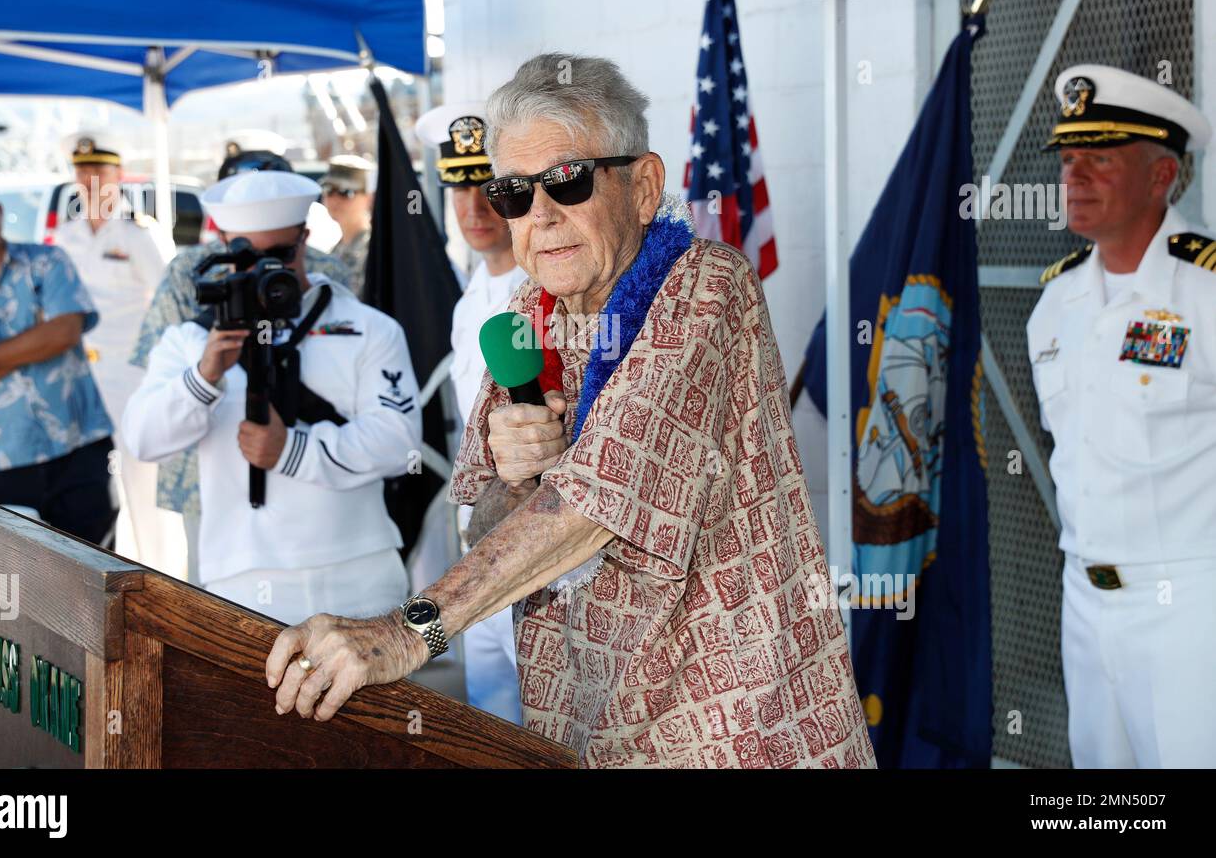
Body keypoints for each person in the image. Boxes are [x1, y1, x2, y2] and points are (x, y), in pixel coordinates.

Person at [264, 53, 874, 769]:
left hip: (745, 727)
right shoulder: (526, 313)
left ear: (643, 187)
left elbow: (594, 503)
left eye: (567, 181)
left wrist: (405, 633)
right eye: (514, 193)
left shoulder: (706, 287)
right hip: (588, 729)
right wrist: (516, 474)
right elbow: (489, 523)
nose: (540, 216)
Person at [123, 171, 423, 625]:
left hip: (360, 573)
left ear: (305, 239)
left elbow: (401, 444)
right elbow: (142, 440)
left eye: (281, 254)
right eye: (249, 257)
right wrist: (203, 379)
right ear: (223, 246)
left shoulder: (368, 328)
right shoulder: (192, 341)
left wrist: (292, 450)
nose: (268, 271)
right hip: (245, 581)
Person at [1028, 64, 1216, 768]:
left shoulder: (1205, 292)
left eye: (1100, 160)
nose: (1074, 177)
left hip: (1191, 604)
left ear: (1162, 176)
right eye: (1070, 161)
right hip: (1084, 597)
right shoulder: (1059, 301)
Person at [131, 156, 359, 585]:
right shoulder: (190, 272)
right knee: (218, 600)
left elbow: (354, 353)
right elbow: (159, 366)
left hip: (310, 453)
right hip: (206, 463)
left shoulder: (325, 269)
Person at [0, 177, 116, 545]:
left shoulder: (48, 262)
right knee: (9, 591)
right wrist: (37, 336)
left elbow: (65, 333)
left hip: (79, 448)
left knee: (98, 585)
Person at [416, 100, 526, 724]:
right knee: (492, 720)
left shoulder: (550, 289)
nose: (473, 208)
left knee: (556, 728)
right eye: (458, 187)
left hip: (537, 547)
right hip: (478, 543)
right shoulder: (469, 301)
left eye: (488, 187)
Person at [52, 134, 174, 569]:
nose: (90, 182)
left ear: (117, 176)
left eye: (99, 172)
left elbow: (168, 303)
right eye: (82, 173)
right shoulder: (66, 236)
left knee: (142, 484)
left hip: (130, 376)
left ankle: (157, 577)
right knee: (87, 485)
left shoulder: (139, 234)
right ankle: (97, 572)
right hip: (80, 378)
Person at [320, 155, 375, 297]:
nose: (334, 199)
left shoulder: (375, 251)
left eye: (346, 192)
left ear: (369, 198)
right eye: (328, 189)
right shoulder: (334, 250)